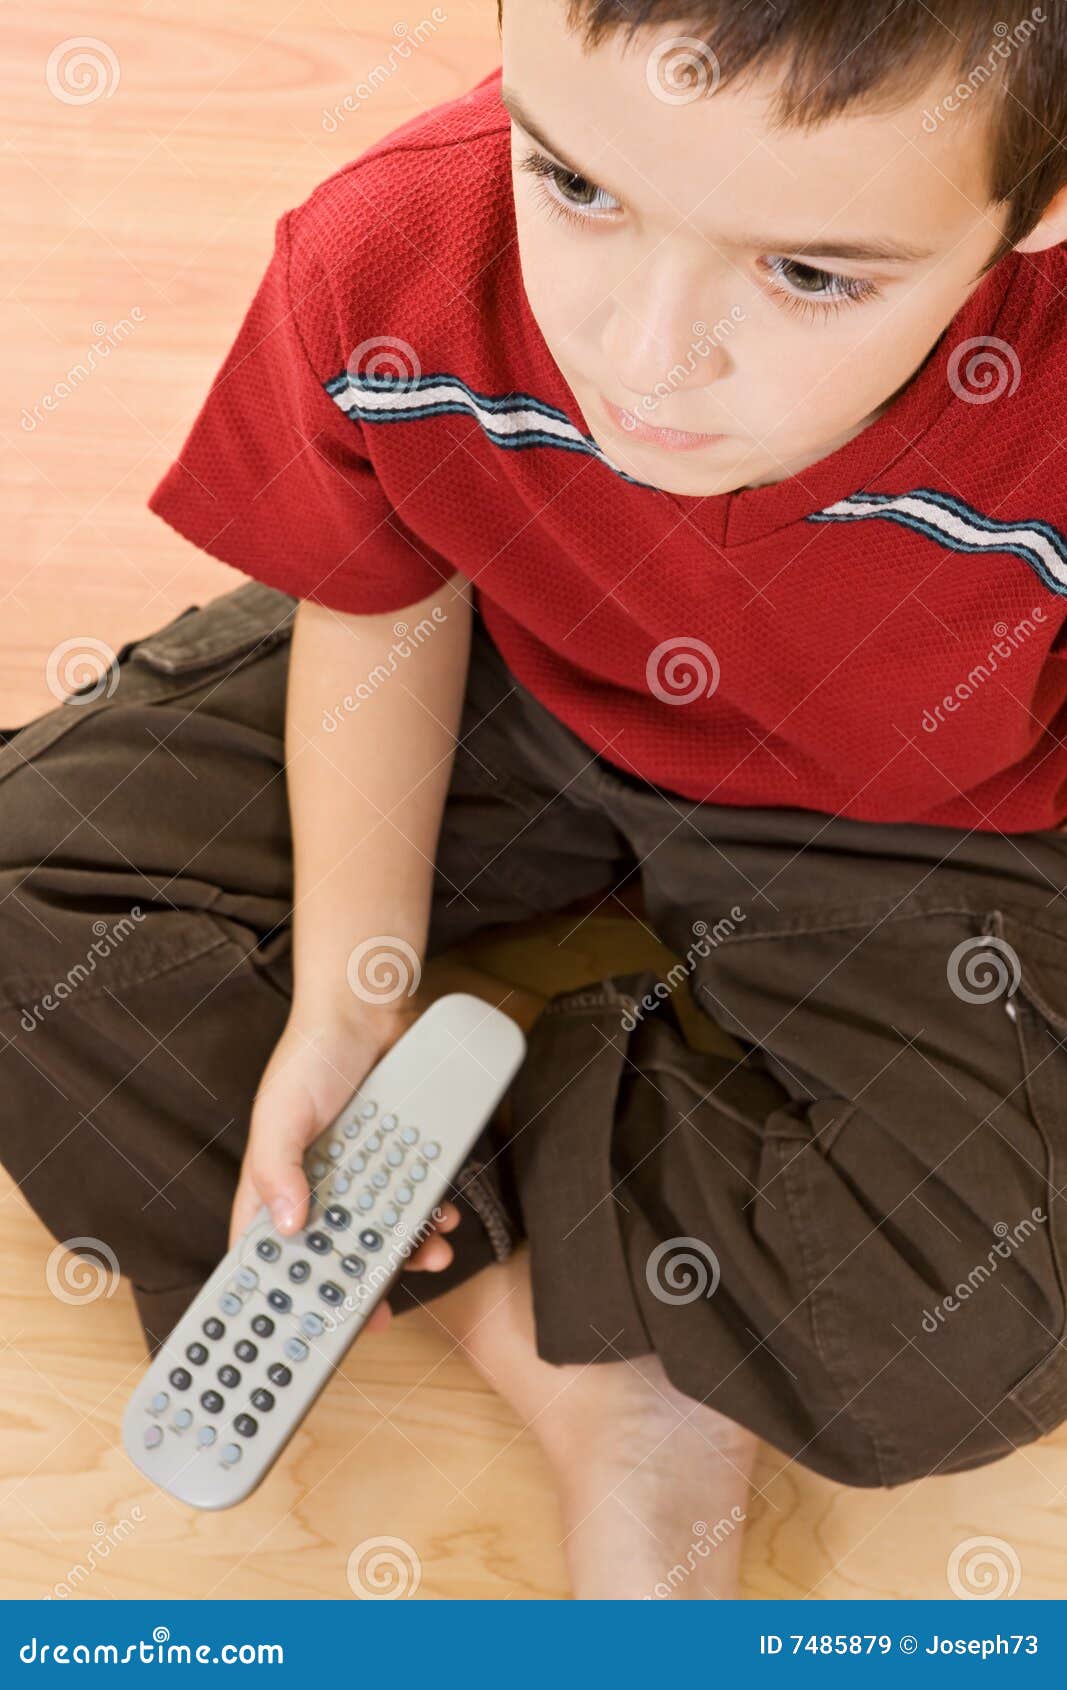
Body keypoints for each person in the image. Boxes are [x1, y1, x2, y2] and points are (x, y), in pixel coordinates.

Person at [4, 0, 1067, 1599]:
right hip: (518, 667)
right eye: (574, 185)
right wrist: (359, 991)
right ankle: (585, 1367)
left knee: (962, 1325)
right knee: (31, 908)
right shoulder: (394, 249)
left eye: (810, 273)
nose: (643, 357)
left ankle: (505, 1163)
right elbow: (383, 587)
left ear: (1037, 211)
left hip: (914, 809)